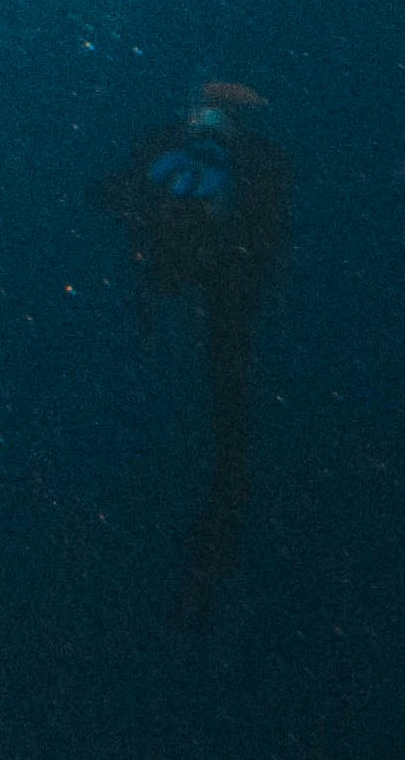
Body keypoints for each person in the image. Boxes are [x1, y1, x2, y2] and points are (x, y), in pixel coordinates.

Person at [97, 81, 290, 625]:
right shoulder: (257, 159)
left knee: (205, 411)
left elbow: (110, 195)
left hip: (187, 294)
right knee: (226, 416)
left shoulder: (178, 147)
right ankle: (209, 551)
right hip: (217, 296)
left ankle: (196, 552)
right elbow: (271, 243)